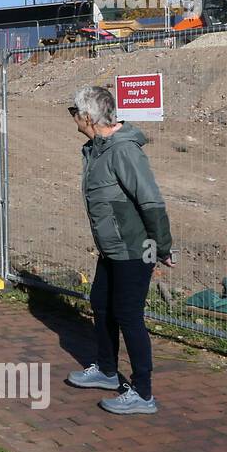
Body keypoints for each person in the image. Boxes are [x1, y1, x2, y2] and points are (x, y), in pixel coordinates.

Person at [66, 85, 174, 415]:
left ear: (87, 116)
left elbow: (151, 200)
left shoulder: (123, 151)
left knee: (128, 316)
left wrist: (162, 246)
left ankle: (143, 393)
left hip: (133, 248)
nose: (72, 119)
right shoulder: (97, 149)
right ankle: (108, 371)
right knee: (101, 304)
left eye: (74, 113)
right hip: (111, 249)